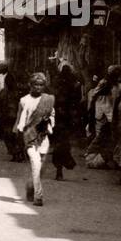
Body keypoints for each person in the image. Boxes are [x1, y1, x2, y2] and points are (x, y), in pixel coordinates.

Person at [15, 72, 55, 206]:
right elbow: (20, 119)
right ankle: (39, 196)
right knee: (35, 163)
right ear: (30, 85)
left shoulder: (48, 99)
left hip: (43, 136)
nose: (38, 88)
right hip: (29, 135)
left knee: (40, 167)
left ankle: (31, 185)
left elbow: (52, 116)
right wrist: (20, 133)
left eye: (41, 85)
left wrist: (48, 121)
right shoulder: (24, 100)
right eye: (36, 85)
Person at [50, 63, 81, 181]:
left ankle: (59, 170)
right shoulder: (73, 85)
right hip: (66, 120)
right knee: (64, 144)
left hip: (58, 119)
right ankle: (62, 167)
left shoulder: (57, 85)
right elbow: (76, 104)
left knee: (59, 145)